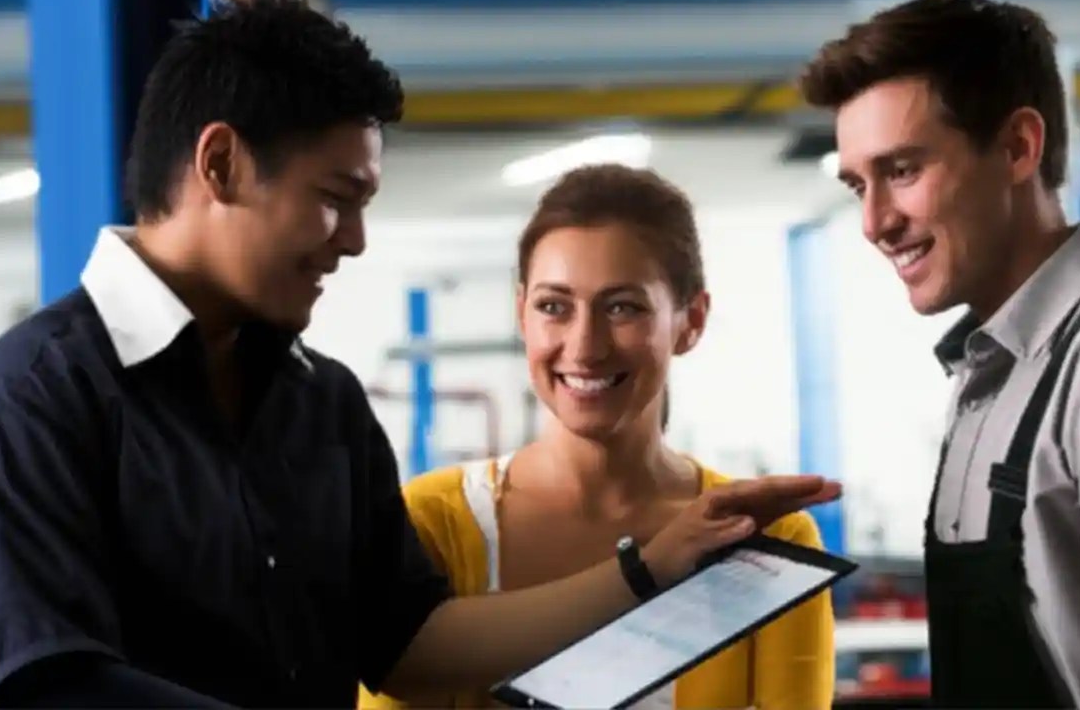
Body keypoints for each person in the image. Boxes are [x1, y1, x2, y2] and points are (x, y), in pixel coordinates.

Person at [0, 0, 841, 707]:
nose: (355, 240)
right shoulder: (36, 399)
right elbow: (54, 687)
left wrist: (650, 567)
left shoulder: (319, 403)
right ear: (220, 165)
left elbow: (411, 649)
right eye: (337, 196)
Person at [358, 165, 835, 710]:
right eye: (553, 307)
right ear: (521, 314)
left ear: (691, 321)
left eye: (623, 307)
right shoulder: (434, 521)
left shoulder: (764, 541)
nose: (584, 346)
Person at [800, 0, 1080, 708]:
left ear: (1017, 148)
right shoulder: (989, 372)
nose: (874, 222)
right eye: (859, 184)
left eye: (904, 171)